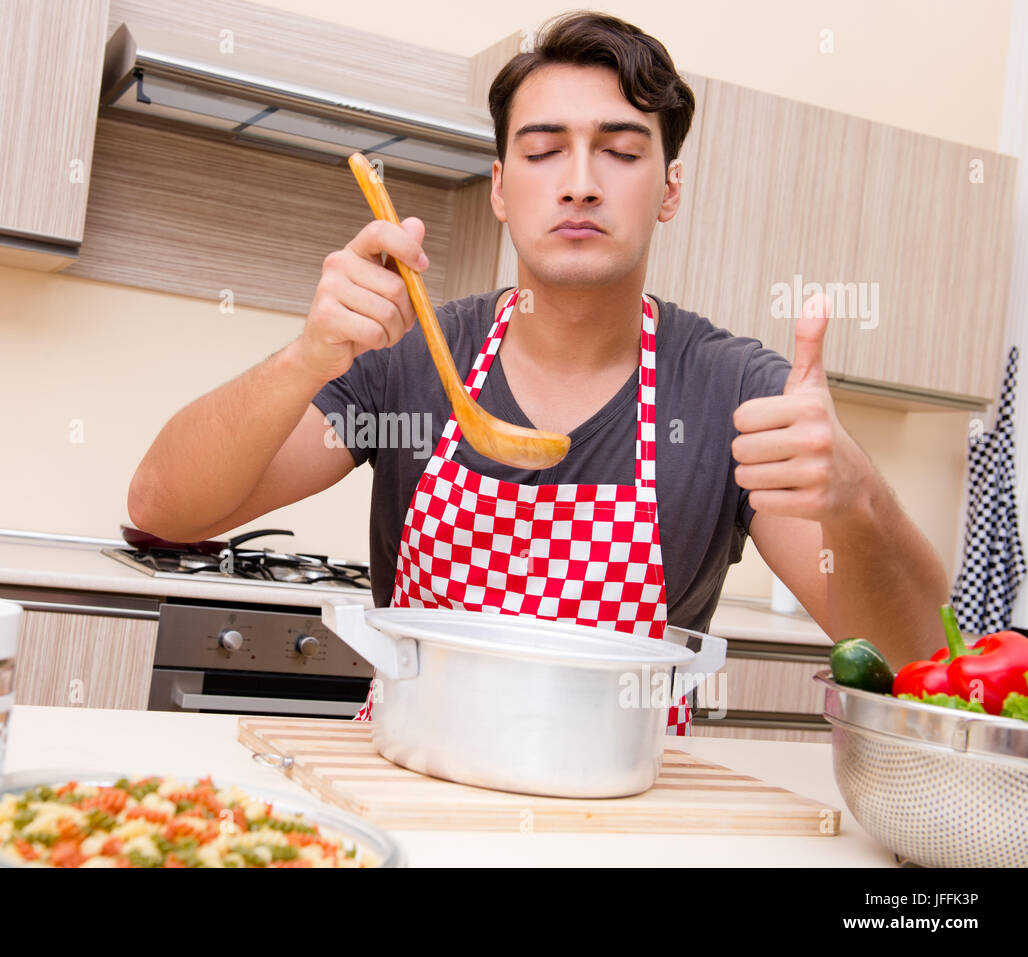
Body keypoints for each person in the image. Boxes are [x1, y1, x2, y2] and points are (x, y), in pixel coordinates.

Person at [127, 10, 949, 733]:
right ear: (499, 187)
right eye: (545, 151)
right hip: (414, 787)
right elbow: (164, 509)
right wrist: (306, 354)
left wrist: (859, 497)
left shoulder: (734, 393)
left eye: (621, 152)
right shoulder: (412, 360)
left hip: (620, 820)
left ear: (669, 188)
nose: (581, 184)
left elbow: (917, 662)